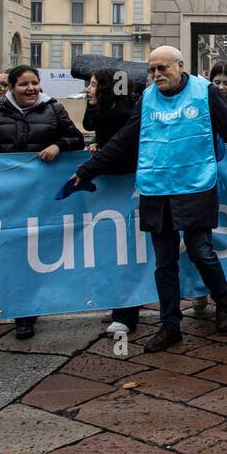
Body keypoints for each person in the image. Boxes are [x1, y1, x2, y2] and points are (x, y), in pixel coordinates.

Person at [71, 46, 227, 351]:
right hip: (156, 188)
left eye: (163, 68)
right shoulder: (146, 98)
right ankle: (170, 325)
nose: (156, 75)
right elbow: (124, 138)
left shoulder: (205, 92)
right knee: (165, 260)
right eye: (152, 69)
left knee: (200, 251)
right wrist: (88, 170)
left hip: (195, 185)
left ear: (180, 65)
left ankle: (223, 300)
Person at [0, 64, 86, 339]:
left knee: (35, 251)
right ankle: (19, 309)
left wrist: (59, 146)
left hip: (42, 197)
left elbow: (75, 138)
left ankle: (28, 311)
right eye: (24, 84)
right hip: (7, 198)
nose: (30, 89)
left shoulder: (54, 109)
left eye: (34, 83)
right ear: (11, 88)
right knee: (12, 253)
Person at [81, 68, 143, 335]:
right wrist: (96, 141)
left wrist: (89, 168)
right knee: (112, 250)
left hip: (128, 189)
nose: (87, 89)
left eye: (93, 85)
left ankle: (127, 313)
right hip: (111, 191)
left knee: (128, 251)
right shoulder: (105, 111)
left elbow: (120, 147)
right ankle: (120, 305)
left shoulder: (124, 113)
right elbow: (89, 126)